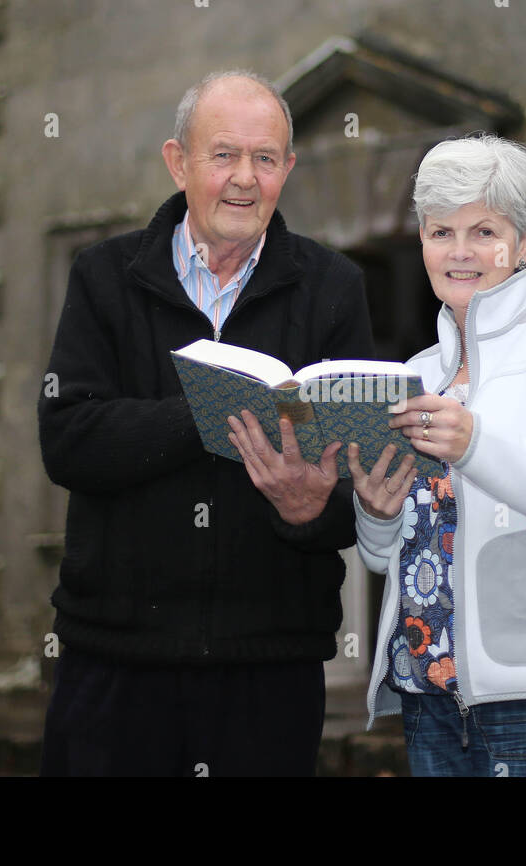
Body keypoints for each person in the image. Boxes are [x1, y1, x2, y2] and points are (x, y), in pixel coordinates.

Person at [37, 70, 375, 776]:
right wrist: (212, 408)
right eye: (223, 155)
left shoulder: (334, 288)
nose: (244, 179)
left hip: (270, 671)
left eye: (265, 158)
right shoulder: (103, 275)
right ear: (178, 162)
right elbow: (70, 441)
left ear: (288, 168)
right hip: (114, 663)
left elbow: (360, 497)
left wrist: (309, 508)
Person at [348, 134, 526, 777]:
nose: (459, 252)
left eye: (484, 230)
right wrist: (375, 512)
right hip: (427, 690)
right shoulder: (413, 375)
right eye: (439, 231)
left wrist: (476, 444)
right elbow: (383, 557)